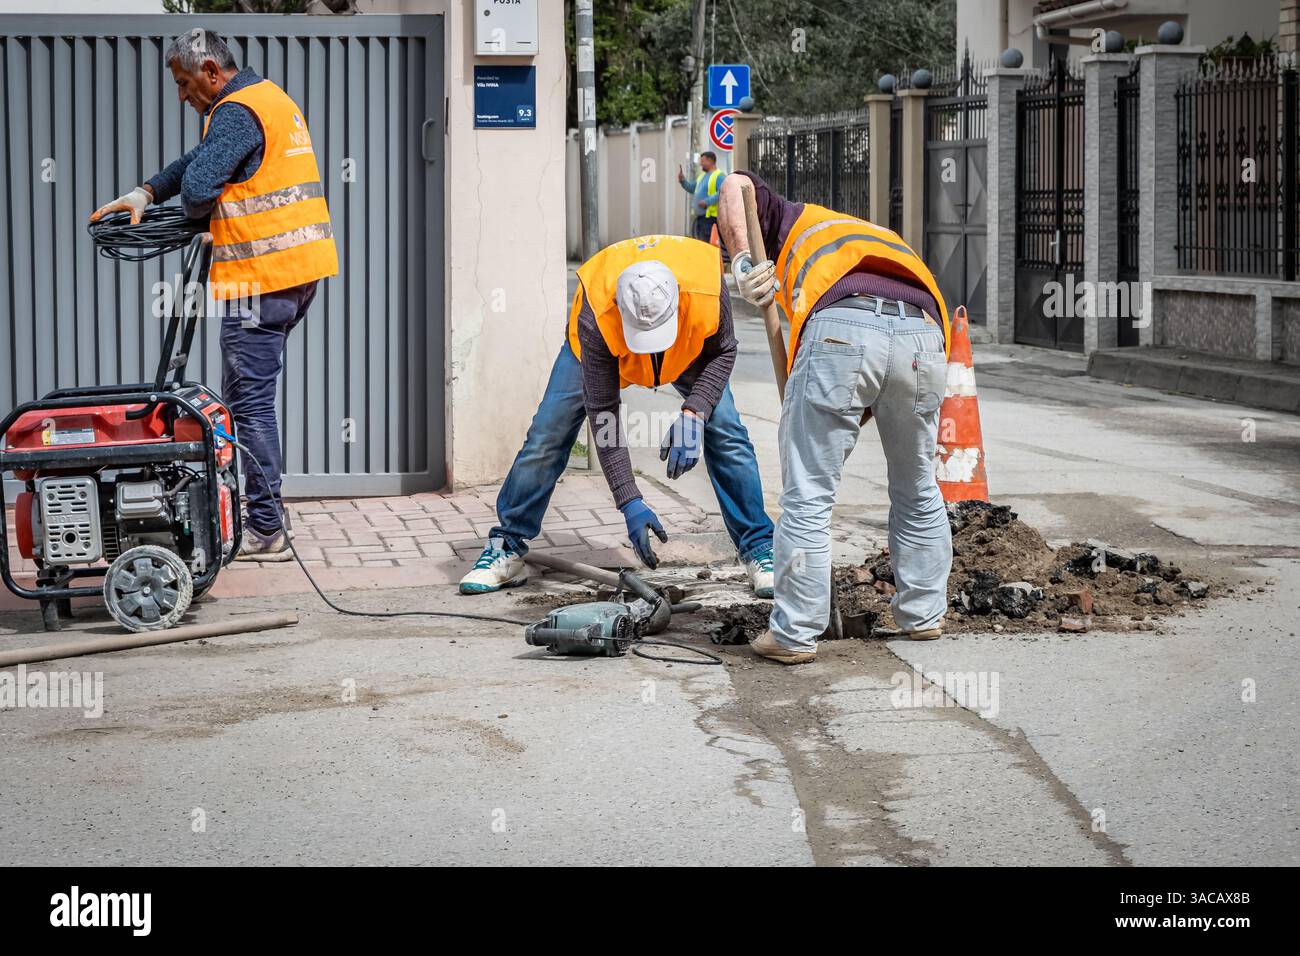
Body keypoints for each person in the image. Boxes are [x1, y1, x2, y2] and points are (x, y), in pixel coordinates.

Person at [89, 28, 337, 562]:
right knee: (248, 394)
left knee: (249, 402)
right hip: (297, 272)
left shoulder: (235, 111)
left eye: (183, 83)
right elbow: (200, 163)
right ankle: (263, 518)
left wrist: (198, 211)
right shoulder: (266, 99)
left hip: (261, 277)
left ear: (209, 72)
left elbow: (201, 188)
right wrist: (146, 192)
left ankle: (267, 528)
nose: (181, 95)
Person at [715, 171, 952, 664]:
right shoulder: (872, 239)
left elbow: (733, 183)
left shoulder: (788, 219)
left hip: (842, 326)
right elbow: (873, 387)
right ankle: (923, 615)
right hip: (924, 339)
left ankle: (795, 633)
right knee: (918, 487)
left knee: (808, 493)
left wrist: (741, 262)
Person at [458, 234, 775, 597]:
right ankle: (507, 546)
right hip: (605, 350)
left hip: (689, 350)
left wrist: (695, 412)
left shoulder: (706, 287)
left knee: (728, 432)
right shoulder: (597, 314)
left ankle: (759, 547)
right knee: (547, 435)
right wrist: (630, 501)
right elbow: (604, 414)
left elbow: (724, 351)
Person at [677, 152, 725, 244]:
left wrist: (707, 202)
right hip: (701, 218)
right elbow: (692, 188)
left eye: (702, 161)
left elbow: (722, 191)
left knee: (708, 244)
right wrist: (683, 181)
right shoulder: (702, 176)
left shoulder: (719, 176)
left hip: (710, 219)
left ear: (710, 161)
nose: (700, 164)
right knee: (701, 243)